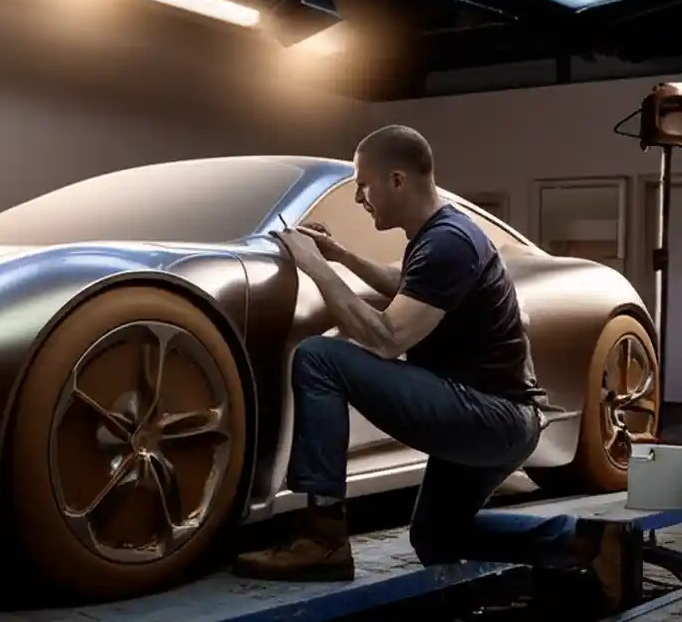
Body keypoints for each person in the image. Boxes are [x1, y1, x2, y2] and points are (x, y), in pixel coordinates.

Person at [232, 125, 622, 606]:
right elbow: (407, 284)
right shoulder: (442, 234)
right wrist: (340, 254)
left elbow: (388, 338)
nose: (358, 197)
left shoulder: (448, 242)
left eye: (362, 184)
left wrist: (315, 266)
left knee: (319, 358)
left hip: (488, 418)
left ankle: (321, 539)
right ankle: (582, 541)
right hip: (502, 421)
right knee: (436, 538)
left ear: (397, 181)